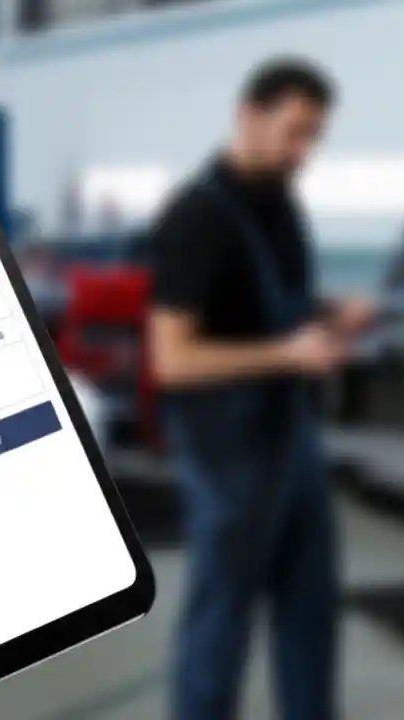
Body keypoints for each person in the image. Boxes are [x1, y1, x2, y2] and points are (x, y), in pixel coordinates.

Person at [148, 58, 372, 720]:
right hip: (228, 455)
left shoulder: (278, 203)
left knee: (311, 611)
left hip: (291, 438)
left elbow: (268, 305)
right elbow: (173, 359)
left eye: (313, 137)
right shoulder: (195, 220)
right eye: (293, 131)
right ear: (249, 114)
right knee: (221, 627)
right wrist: (288, 352)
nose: (303, 150)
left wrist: (331, 312)